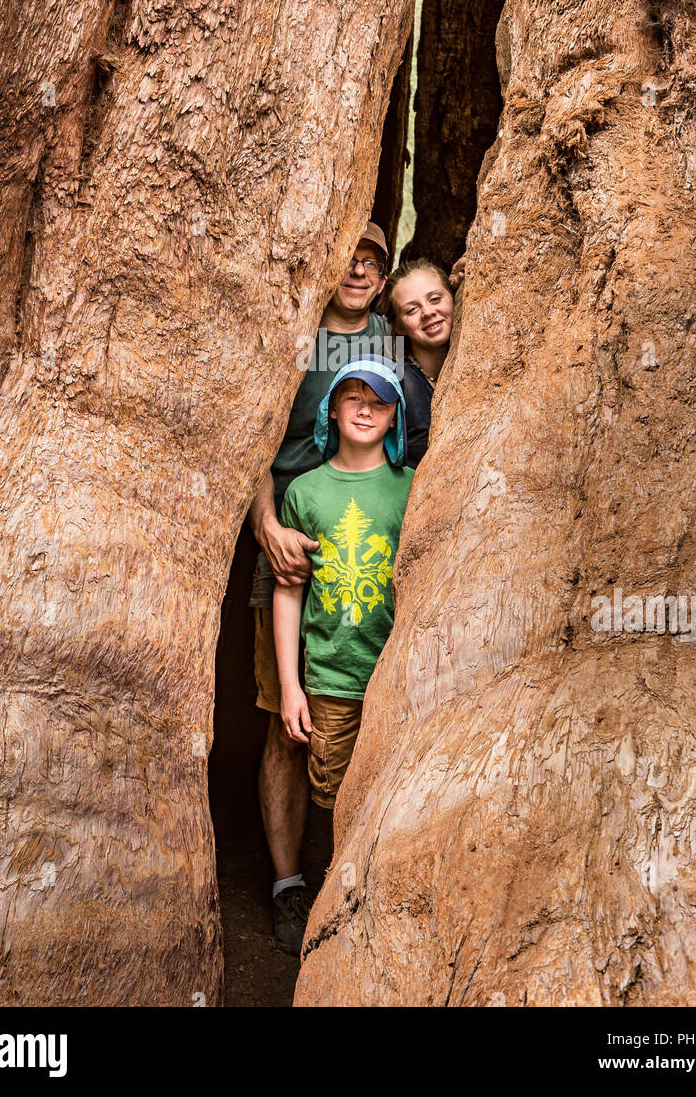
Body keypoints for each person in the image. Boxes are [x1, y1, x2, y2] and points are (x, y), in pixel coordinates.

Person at [246, 222, 394, 954]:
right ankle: (285, 885)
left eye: (374, 260)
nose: (359, 270)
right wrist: (266, 523)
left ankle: (352, 881)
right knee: (284, 715)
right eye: (349, 257)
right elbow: (241, 439)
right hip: (286, 539)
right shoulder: (291, 334)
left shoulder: (391, 344)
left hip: (366, 551)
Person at [273, 359, 413, 832]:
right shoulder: (304, 491)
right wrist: (291, 687)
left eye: (379, 402)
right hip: (332, 680)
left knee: (394, 798)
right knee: (333, 803)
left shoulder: (414, 486)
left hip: (399, 679)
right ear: (332, 408)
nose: (366, 409)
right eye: (353, 397)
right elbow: (289, 592)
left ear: (396, 416)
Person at [383, 258, 455, 466]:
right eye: (411, 310)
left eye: (435, 299)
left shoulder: (485, 364)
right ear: (398, 326)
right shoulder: (397, 385)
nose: (428, 312)